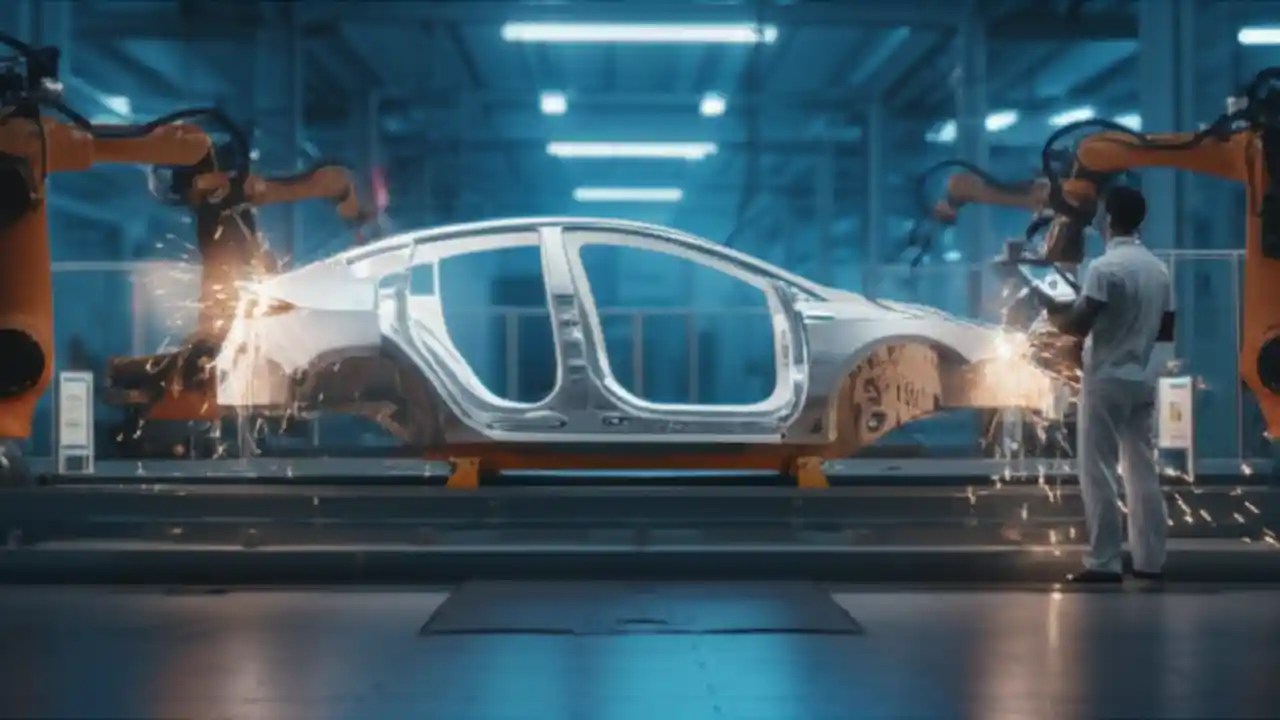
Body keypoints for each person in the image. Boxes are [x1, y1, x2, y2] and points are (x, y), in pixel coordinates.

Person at [1043, 186, 1174, 584]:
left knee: (1098, 470)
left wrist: (1050, 311)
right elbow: (1166, 330)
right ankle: (1150, 560)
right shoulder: (1159, 270)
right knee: (1142, 469)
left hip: (1105, 378)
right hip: (1143, 378)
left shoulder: (1104, 268)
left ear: (1108, 219)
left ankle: (1104, 562)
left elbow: (1079, 324)